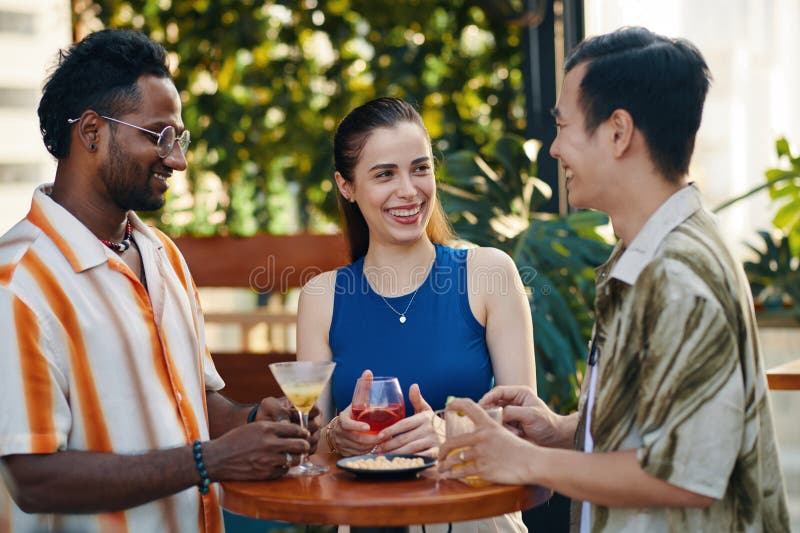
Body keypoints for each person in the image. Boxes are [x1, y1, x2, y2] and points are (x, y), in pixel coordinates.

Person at [438, 26, 791, 532]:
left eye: (563, 126)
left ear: (618, 132)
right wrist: (564, 430)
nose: (554, 149)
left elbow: (685, 476)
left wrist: (526, 461)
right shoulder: (649, 252)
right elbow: (661, 431)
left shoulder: (677, 274)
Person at [0, 29, 320, 533]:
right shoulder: (18, 282)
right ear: (91, 132)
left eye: (180, 139)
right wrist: (208, 461)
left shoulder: (161, 254)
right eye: (160, 136)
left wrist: (255, 421)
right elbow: (34, 481)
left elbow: (195, 405)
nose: (178, 160)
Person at [296, 97, 536, 532]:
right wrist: (335, 435)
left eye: (420, 168)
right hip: (367, 524)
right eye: (385, 174)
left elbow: (527, 430)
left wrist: (450, 437)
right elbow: (312, 456)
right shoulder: (321, 297)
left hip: (476, 522)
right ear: (346, 186)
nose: (409, 190)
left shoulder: (489, 273)